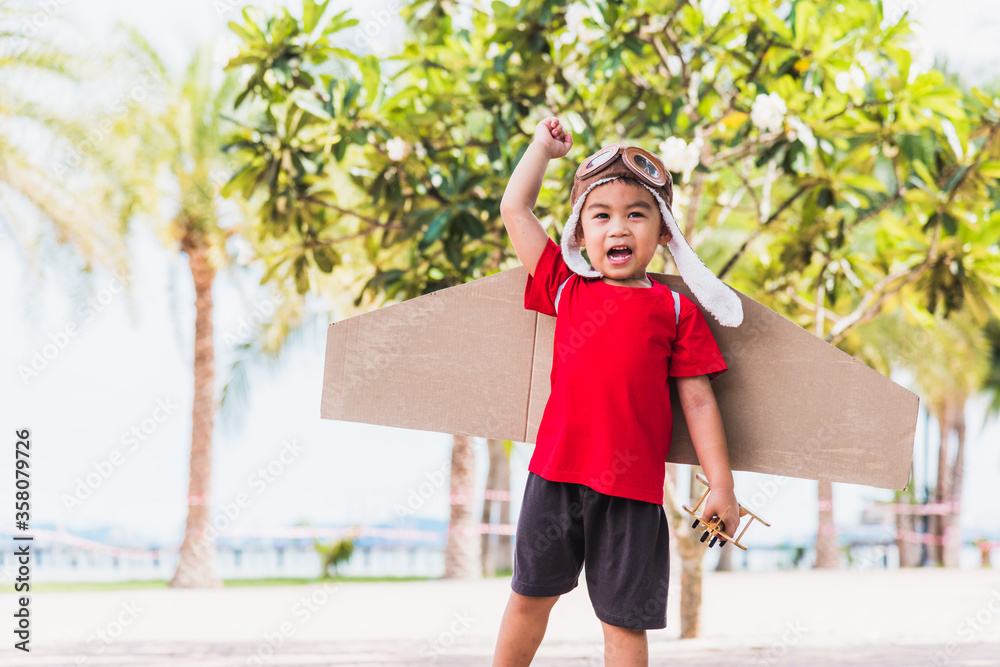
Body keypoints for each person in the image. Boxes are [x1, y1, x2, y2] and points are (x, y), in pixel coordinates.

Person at [493, 116, 744, 667]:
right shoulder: (565, 287)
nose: (620, 229)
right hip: (554, 479)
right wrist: (541, 148)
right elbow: (516, 209)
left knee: (624, 625)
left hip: (632, 494)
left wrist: (721, 486)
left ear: (664, 233)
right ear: (580, 233)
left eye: (637, 215)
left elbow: (699, 401)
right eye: (601, 216)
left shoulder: (676, 310)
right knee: (529, 601)